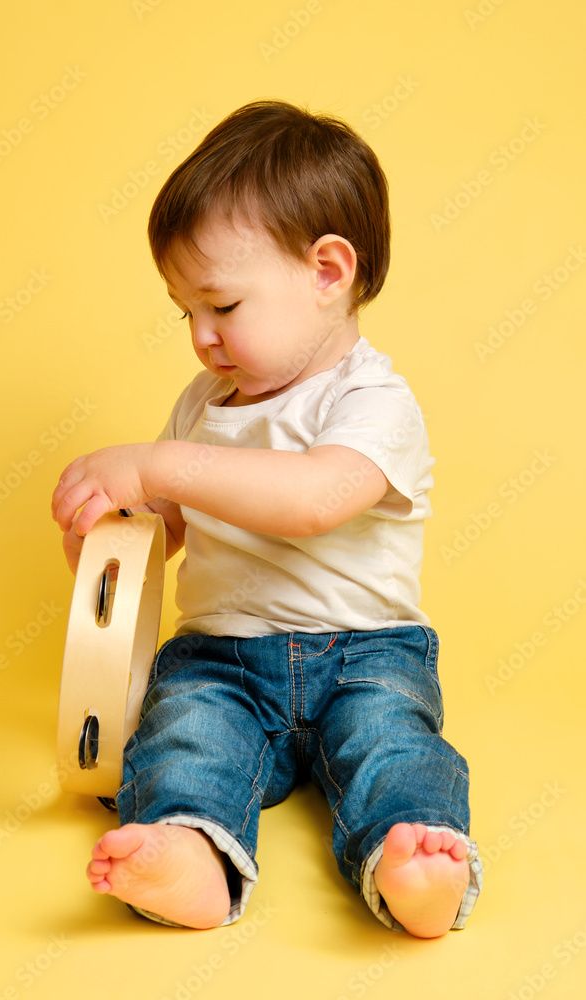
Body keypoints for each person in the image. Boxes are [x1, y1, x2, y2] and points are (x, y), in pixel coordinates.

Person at [51, 99, 483, 938]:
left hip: (366, 649)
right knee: (184, 732)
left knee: (392, 744)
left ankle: (414, 862)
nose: (203, 338)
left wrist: (154, 462)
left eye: (222, 305)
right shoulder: (202, 403)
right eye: (186, 313)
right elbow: (166, 533)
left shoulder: (373, 400)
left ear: (327, 272)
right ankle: (188, 850)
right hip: (224, 656)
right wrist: (105, 539)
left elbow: (312, 500)